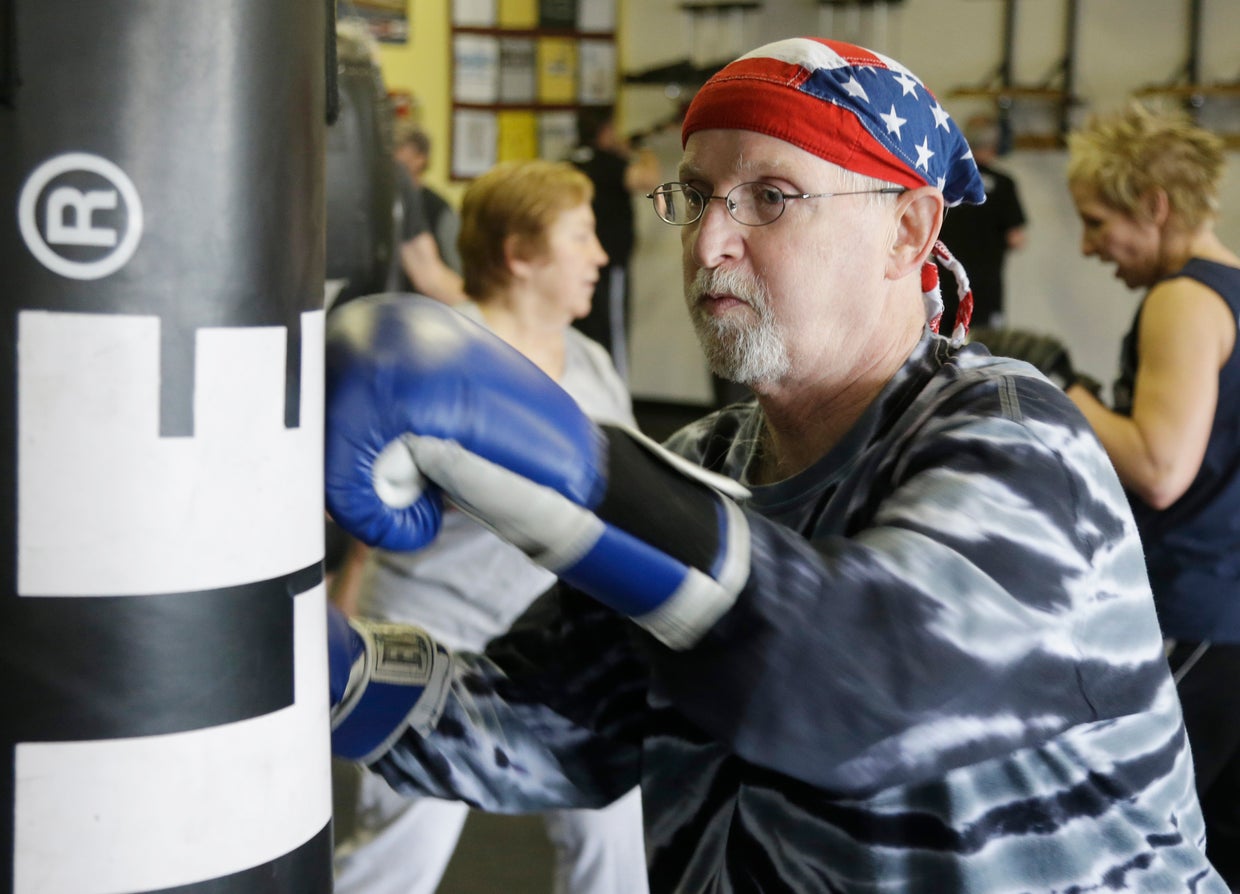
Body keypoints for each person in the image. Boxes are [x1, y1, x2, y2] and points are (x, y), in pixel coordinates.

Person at [322, 38, 1224, 892]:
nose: (710, 240)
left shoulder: (1018, 439)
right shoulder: (705, 460)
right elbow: (545, 730)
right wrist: (301, 657)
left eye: (771, 197)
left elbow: (855, 689)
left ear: (907, 230)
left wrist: (572, 469)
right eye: (696, 193)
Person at [331, 160, 649, 894]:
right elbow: (359, 491)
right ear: (519, 255)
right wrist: (346, 599)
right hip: (432, 628)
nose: (600, 255)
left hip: (562, 641)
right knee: (399, 857)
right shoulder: (436, 355)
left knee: (616, 846)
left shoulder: (592, 363)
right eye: (580, 235)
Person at [1056, 102, 1240, 888]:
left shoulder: (1183, 298)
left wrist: (1070, 396)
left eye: (1100, 222)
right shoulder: (1231, 288)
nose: (1092, 246)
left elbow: (1162, 467)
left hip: (1191, 611)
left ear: (1155, 206)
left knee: (1135, 834)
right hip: (1223, 609)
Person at [568, 105, 662, 381]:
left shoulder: (572, 160)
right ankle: (615, 398)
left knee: (583, 331)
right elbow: (649, 179)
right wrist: (642, 150)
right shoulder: (609, 162)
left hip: (575, 264)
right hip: (609, 264)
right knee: (613, 335)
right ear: (605, 131)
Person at [937, 114, 1027, 329]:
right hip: (984, 290)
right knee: (983, 352)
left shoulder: (945, 181)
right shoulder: (1003, 184)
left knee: (941, 349)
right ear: (995, 145)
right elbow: (1016, 239)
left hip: (945, 285)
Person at [393, 122, 462, 275]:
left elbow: (457, 270)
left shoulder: (440, 209)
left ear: (420, 158)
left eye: (399, 149)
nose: (393, 156)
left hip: (427, 296)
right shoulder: (386, 201)